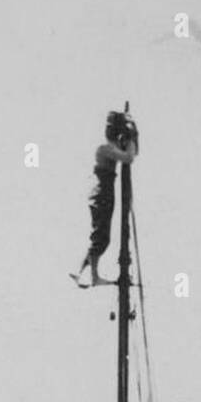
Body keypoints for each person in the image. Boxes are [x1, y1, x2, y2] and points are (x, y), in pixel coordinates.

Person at [70, 110, 139, 288]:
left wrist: (132, 135)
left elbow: (130, 154)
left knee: (100, 236)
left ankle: (83, 273)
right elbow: (129, 157)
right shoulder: (105, 148)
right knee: (101, 237)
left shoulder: (109, 147)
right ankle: (90, 275)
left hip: (103, 192)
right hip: (101, 193)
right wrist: (131, 136)